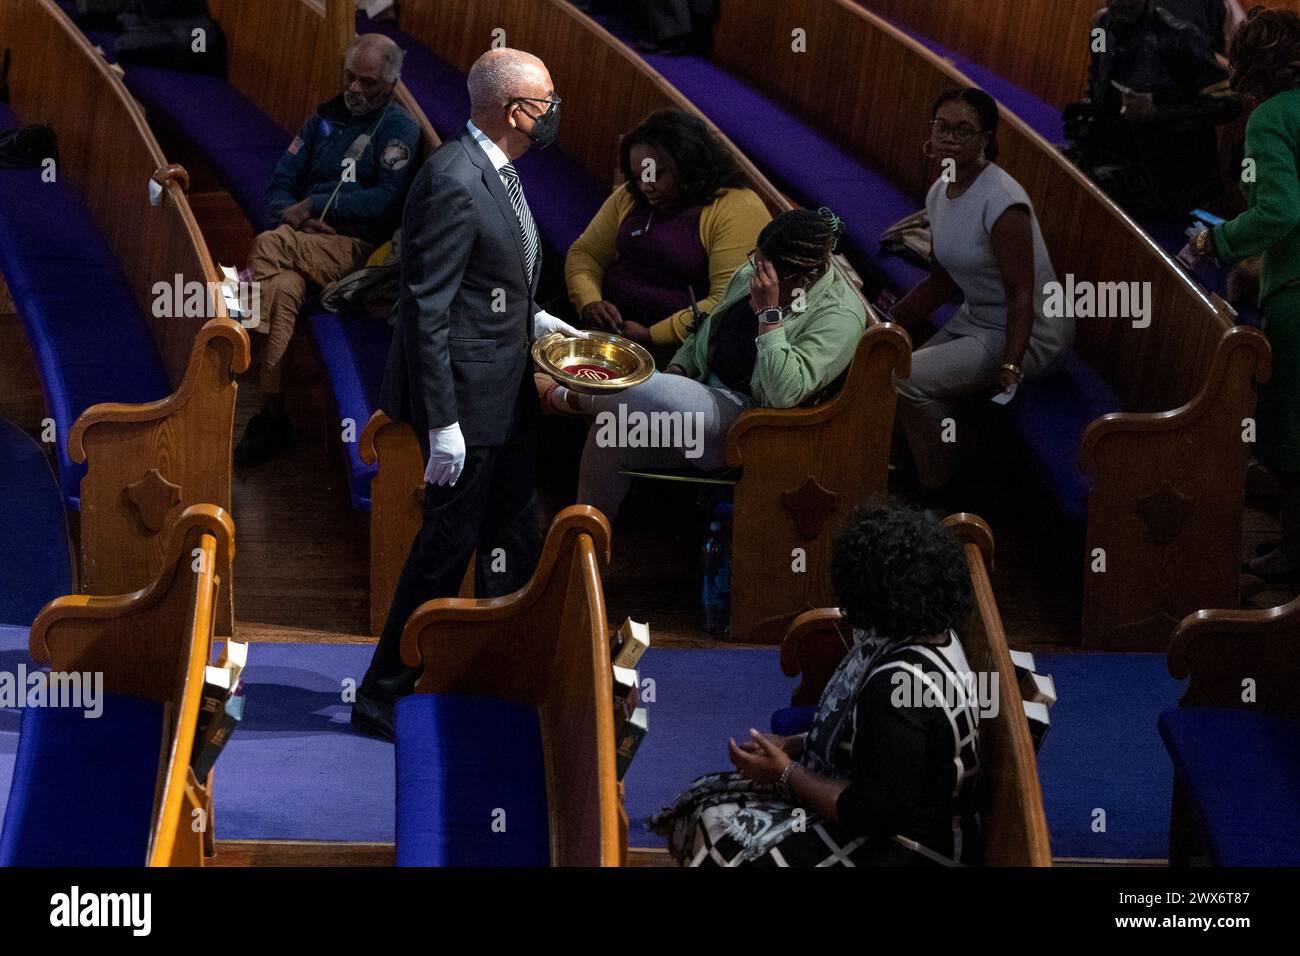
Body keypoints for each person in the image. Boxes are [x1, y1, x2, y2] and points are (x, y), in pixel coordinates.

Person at [351, 48, 585, 740]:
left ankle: (497, 672)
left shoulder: (496, 171)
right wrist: (445, 425)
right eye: (547, 101)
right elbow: (426, 308)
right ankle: (382, 696)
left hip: (503, 389)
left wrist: (535, 317)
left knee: (515, 534)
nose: (554, 113)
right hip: (466, 402)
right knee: (446, 548)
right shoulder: (453, 178)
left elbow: (489, 282)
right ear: (517, 111)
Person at [650, 502, 982, 867]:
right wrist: (792, 745)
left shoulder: (894, 688)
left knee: (726, 840)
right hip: (902, 807)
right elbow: (884, 753)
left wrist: (786, 772)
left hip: (910, 847)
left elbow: (868, 812)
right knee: (709, 795)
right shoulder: (935, 632)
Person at [541, 208, 865, 524]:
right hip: (699, 397)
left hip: (750, 426)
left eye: (768, 271)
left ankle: (567, 399)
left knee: (644, 388)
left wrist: (769, 315)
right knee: (610, 431)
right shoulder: (759, 272)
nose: (756, 275)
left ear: (807, 276)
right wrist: (679, 370)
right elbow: (706, 330)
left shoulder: (839, 315)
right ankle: (582, 539)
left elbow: (784, 393)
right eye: (757, 261)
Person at [236, 33, 420, 466]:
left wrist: (317, 204)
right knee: (280, 290)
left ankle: (236, 340)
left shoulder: (398, 130)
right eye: (350, 78)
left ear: (391, 84)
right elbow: (280, 182)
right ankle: (272, 414)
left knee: (266, 245)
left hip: (355, 247)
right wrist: (293, 213)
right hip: (302, 239)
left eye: (368, 82)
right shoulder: (325, 118)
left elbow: (387, 201)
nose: (354, 90)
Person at [890, 88, 1073, 489]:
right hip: (979, 317)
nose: (950, 138)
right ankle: (941, 453)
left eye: (963, 130)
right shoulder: (940, 190)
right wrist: (886, 322)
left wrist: (1010, 365)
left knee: (905, 379)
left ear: (985, 139)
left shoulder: (1003, 202)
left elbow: (1021, 294)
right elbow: (940, 282)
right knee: (887, 368)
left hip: (1029, 332)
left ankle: (944, 478)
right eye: (942, 127)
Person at [1181, 7, 1300, 589]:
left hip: (1297, 293)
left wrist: (1217, 240)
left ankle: (1294, 558)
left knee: (1287, 432)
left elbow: (1279, 210)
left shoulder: (1272, 117)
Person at [565, 109, 771, 348]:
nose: (645, 186)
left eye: (655, 175)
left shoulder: (736, 205)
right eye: (638, 176)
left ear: (687, 164)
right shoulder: (630, 195)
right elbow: (586, 253)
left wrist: (652, 334)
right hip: (607, 328)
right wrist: (590, 302)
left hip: (682, 346)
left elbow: (727, 299)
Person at [1064, 0, 1240, 215]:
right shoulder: (1101, 28)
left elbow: (1229, 105)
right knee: (1055, 167)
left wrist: (1158, 112)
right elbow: (1097, 79)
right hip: (1109, 152)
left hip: (1161, 174)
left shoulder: (1179, 36)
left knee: (1078, 190)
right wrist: (1087, 116)